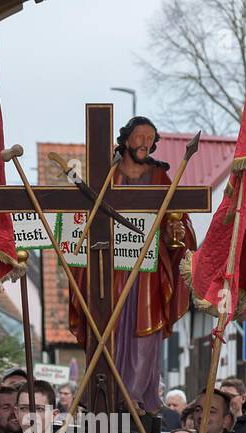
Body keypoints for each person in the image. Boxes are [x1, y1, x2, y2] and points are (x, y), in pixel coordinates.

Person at [67, 116, 196, 413]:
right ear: (126, 139)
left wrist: (175, 233)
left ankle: (134, 395)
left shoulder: (159, 177)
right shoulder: (105, 174)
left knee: (144, 331)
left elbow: (176, 218)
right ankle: (100, 392)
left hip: (146, 271)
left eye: (150, 138)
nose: (145, 143)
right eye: (139, 136)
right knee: (103, 323)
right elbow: (83, 215)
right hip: (107, 267)